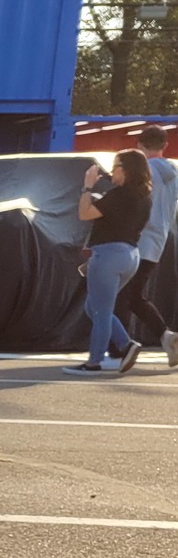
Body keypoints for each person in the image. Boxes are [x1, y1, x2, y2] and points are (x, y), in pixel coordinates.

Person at [67, 149, 154, 376]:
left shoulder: (118, 195)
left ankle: (94, 362)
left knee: (101, 311)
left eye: (116, 167)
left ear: (126, 170)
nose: (112, 172)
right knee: (93, 306)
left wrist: (87, 187)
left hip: (108, 254)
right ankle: (126, 345)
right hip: (130, 256)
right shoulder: (144, 196)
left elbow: (84, 213)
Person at [116, 126, 178, 369]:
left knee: (121, 294)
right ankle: (165, 336)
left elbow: (132, 203)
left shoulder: (143, 171)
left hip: (135, 239)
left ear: (139, 144)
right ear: (165, 145)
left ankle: (121, 347)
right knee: (133, 295)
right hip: (158, 240)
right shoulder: (173, 171)